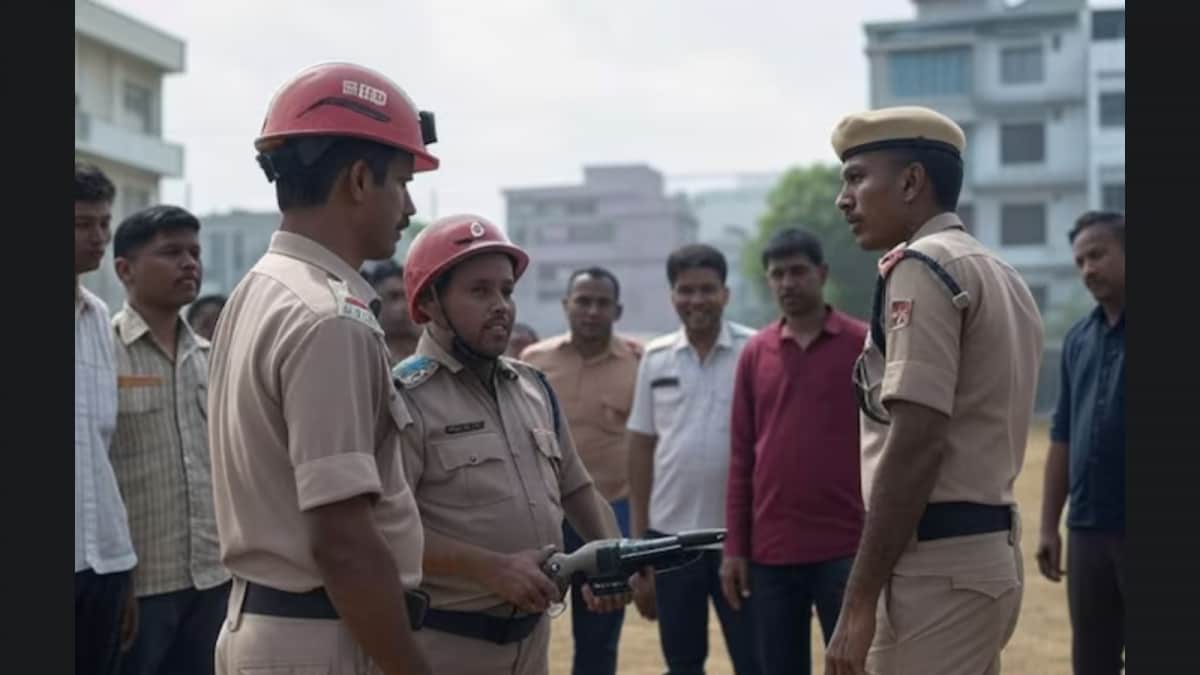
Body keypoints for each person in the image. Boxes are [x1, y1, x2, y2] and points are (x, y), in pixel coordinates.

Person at [206, 62, 440, 675]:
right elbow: (341, 541)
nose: (410, 207)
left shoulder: (260, 290)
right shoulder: (330, 316)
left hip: (273, 626)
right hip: (325, 637)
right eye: (402, 181)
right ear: (360, 180)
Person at [823, 106, 1043, 675]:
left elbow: (918, 440)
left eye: (855, 178)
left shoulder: (922, 266)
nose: (843, 200)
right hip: (981, 558)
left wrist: (857, 602)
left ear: (912, 181)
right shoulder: (997, 270)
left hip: (935, 568)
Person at [393, 213, 630, 675]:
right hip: (445, 646)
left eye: (506, 290)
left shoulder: (533, 388)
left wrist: (612, 557)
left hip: (531, 645)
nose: (501, 305)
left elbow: (577, 490)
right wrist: (489, 569)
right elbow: (384, 532)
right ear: (432, 302)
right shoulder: (403, 398)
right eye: (480, 291)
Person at [720, 228, 867, 675]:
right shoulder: (755, 353)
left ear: (821, 274)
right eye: (777, 274)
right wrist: (735, 549)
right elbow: (742, 456)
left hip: (847, 547)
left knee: (853, 665)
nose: (788, 283)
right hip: (772, 553)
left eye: (798, 271)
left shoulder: (863, 344)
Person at [108, 205, 231, 675]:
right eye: (171, 253)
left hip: (213, 576)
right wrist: (114, 582)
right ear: (125, 269)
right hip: (139, 583)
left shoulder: (211, 357)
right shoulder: (102, 350)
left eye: (195, 252)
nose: (189, 263)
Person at [626, 243, 760, 675]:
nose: (696, 300)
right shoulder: (656, 357)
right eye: (686, 290)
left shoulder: (755, 351)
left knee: (754, 659)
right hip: (671, 541)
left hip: (738, 540)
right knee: (682, 663)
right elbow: (641, 447)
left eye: (707, 289)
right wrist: (639, 546)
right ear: (672, 297)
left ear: (726, 293)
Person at [520, 266, 642, 675]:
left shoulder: (638, 364)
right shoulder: (533, 364)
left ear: (617, 309)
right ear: (565, 306)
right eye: (583, 301)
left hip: (607, 515)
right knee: (523, 623)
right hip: (544, 516)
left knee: (600, 631)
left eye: (602, 303)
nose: (592, 310)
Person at [1037, 211, 1126, 675]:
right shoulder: (1078, 340)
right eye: (1080, 261)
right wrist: (1050, 526)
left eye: (1098, 255)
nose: (1088, 268)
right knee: (1093, 662)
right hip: (1088, 530)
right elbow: (1062, 435)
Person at [75, 161, 139, 675]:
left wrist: (125, 572)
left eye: (103, 223)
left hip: (105, 564)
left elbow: (105, 453)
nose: (98, 238)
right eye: (80, 224)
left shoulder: (99, 318)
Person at [364, 259, 421, 363]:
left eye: (408, 298)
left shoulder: (429, 354)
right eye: (393, 297)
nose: (403, 307)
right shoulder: (364, 355)